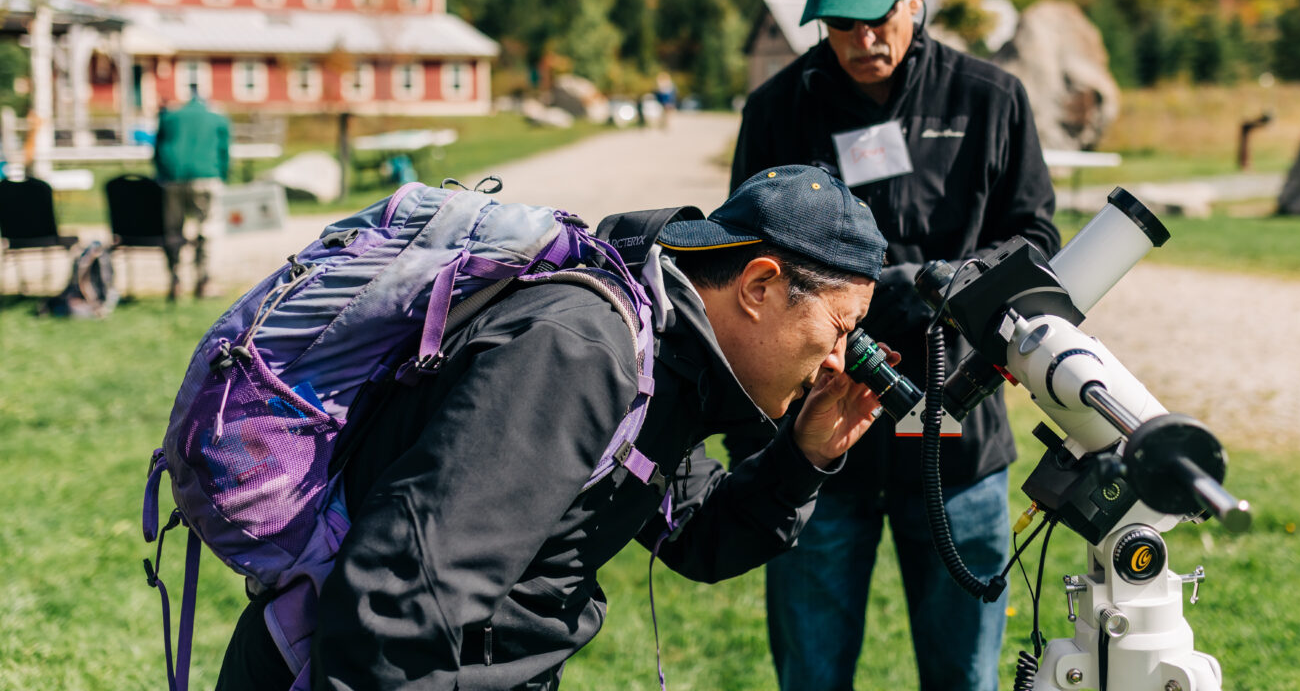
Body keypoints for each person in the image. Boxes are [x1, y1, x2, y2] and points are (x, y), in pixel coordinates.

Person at [215, 164, 890, 691]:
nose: (838, 359)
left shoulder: (671, 366)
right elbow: (403, 593)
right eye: (841, 327)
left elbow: (697, 534)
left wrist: (804, 455)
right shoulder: (581, 351)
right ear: (760, 286)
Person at [728, 0, 1060, 691]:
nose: (861, 40)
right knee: (811, 676)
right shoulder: (777, 110)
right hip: (816, 442)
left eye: (877, 15)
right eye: (840, 21)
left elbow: (1037, 240)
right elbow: (745, 266)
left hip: (959, 440)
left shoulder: (990, 99)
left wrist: (957, 284)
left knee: (965, 679)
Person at [152, 87, 230, 299]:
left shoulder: (169, 117)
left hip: (172, 178)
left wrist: (162, 174)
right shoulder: (217, 118)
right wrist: (222, 176)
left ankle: (175, 280)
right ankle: (204, 280)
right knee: (207, 228)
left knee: (173, 230)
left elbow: (157, 150)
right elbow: (224, 152)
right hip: (207, 176)